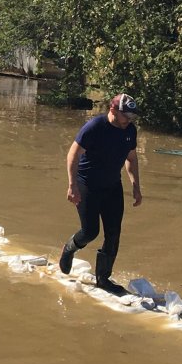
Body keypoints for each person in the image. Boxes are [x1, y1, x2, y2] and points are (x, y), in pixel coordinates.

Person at [57, 93, 143, 295]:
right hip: (87, 184)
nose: (129, 121)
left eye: (132, 117)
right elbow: (73, 154)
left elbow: (131, 158)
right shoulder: (95, 127)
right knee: (90, 231)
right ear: (113, 110)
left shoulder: (130, 130)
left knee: (113, 234)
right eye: (126, 116)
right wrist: (72, 185)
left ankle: (103, 279)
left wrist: (136, 186)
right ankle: (69, 248)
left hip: (112, 186)